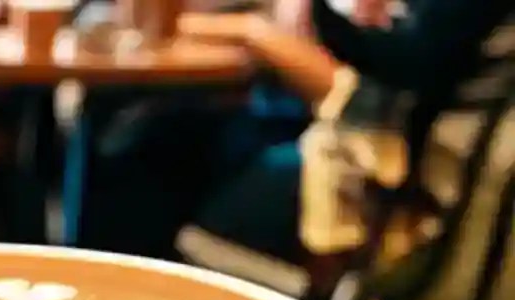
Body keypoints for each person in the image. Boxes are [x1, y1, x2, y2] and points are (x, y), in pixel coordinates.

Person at [63, 0, 512, 266]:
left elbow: (403, 61)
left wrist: (280, 27)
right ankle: (103, 294)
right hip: (325, 122)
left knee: (147, 152)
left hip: (373, 167)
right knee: (140, 135)